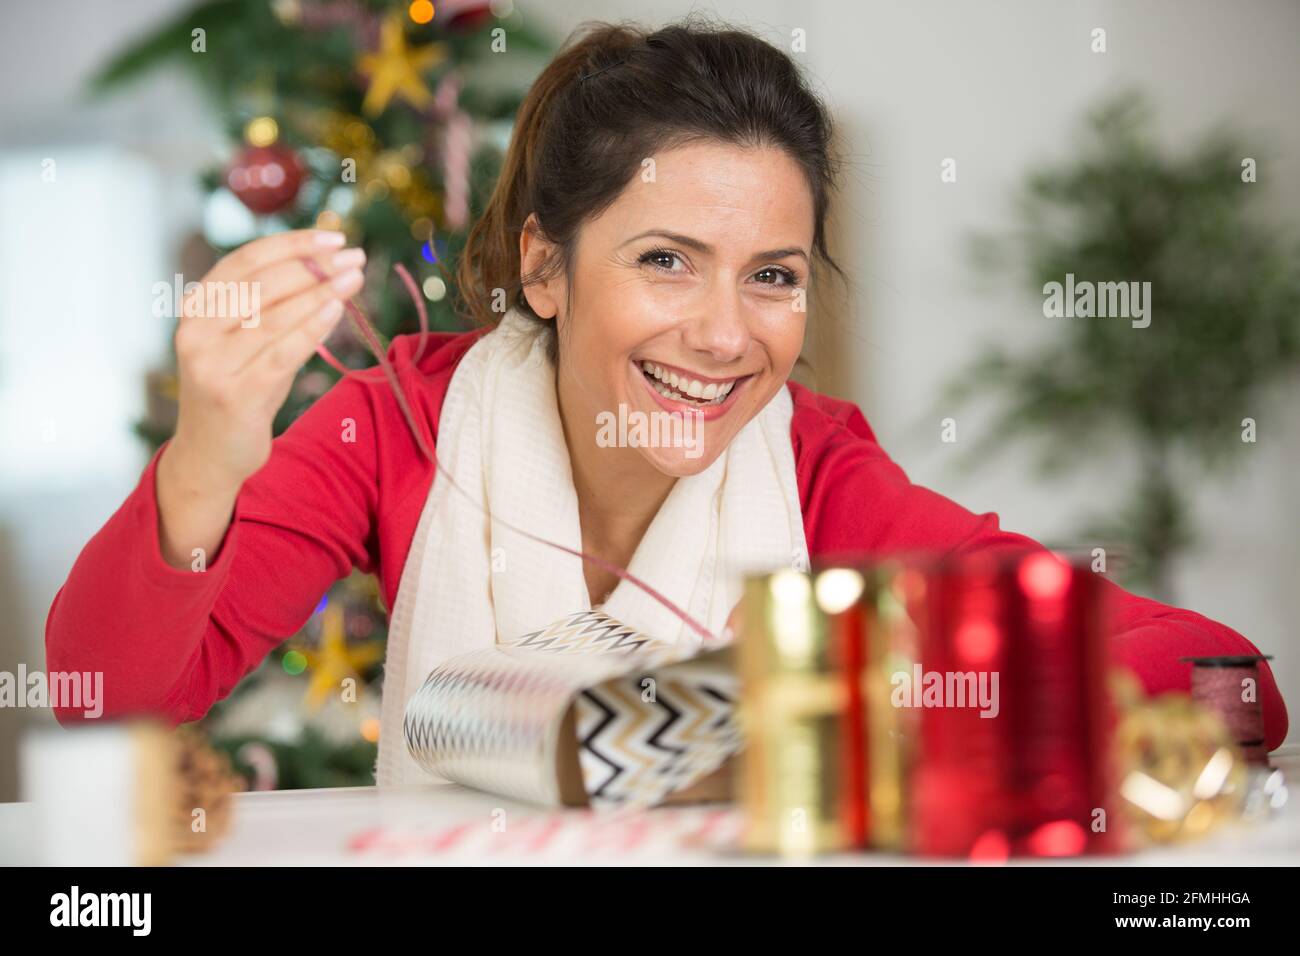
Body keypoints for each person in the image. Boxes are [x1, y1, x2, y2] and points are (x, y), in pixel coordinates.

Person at [46, 21, 1287, 789]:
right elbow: (104, 702)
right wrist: (206, 455)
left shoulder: (818, 472)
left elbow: (1222, 678)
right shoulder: (401, 427)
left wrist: (908, 708)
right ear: (544, 267)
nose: (725, 333)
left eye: (772, 276)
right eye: (664, 260)